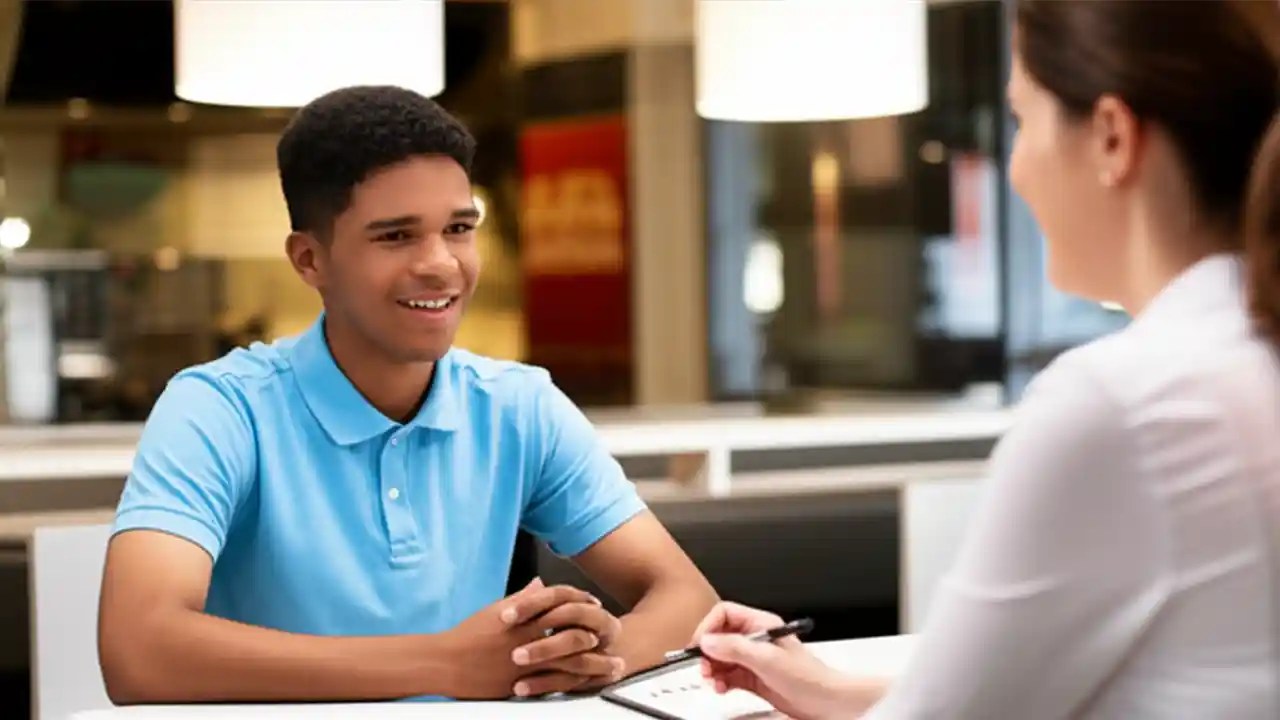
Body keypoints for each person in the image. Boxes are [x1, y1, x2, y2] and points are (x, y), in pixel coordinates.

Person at [691, 2, 1280, 718]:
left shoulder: (1125, 403)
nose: (1016, 169)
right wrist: (829, 691)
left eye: (1023, 122)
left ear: (1112, 138)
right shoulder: (1242, 354)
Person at [98, 86, 718, 704]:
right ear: (310, 260)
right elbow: (139, 651)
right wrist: (444, 665)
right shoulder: (218, 409)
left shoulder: (518, 407)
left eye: (458, 228)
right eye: (396, 236)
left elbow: (687, 599)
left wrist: (588, 659)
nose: (442, 264)